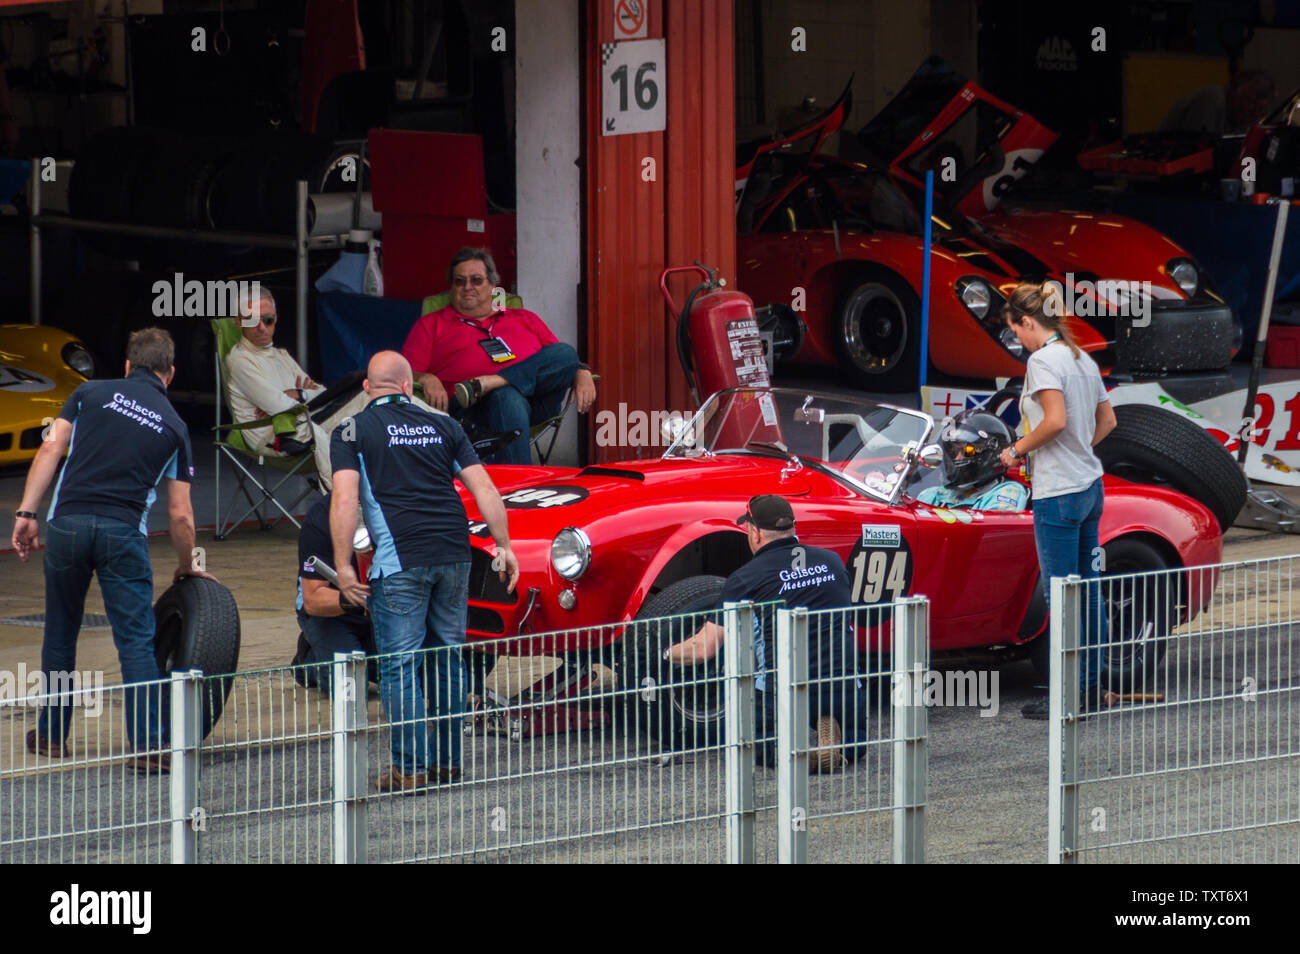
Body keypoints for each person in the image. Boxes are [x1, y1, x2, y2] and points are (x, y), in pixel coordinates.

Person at [11, 328, 217, 773]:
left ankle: (50, 736)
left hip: (66, 525)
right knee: (136, 642)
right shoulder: (176, 427)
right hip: (123, 535)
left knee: (61, 633)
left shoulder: (89, 393)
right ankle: (148, 747)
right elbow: (180, 514)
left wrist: (26, 513)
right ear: (171, 374)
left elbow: (50, 447)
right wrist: (187, 566)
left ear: (127, 365)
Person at [329, 351, 520, 793]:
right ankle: (449, 764)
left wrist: (342, 564)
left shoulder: (352, 429)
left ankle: (410, 768)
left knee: (399, 667)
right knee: (447, 658)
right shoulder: (444, 425)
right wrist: (504, 547)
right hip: (456, 554)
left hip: (400, 561)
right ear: (408, 385)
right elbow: (485, 487)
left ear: (366, 389)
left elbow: (344, 500)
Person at [664, 494, 869, 772]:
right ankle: (833, 740)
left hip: (783, 690)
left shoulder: (746, 578)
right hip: (844, 686)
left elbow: (704, 649)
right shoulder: (832, 562)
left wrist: (664, 653)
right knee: (854, 751)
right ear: (792, 528)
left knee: (761, 754)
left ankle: (797, 757)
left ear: (756, 533)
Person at [997, 282, 1119, 719]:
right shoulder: (1081, 356)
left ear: (1028, 321)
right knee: (1088, 592)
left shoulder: (1043, 360)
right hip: (1090, 486)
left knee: (1062, 597)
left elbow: (1054, 421)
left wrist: (1016, 450)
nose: (1018, 341)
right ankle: (1091, 686)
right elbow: (1107, 419)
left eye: (1016, 331)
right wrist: (1078, 449)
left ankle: (1069, 695)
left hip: (1059, 492)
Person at [224, 287, 439, 489]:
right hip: (280, 435)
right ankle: (441, 425)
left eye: (267, 319)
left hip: (303, 420)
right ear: (238, 322)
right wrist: (296, 399)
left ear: (276, 319)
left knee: (374, 405)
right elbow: (278, 405)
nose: (261, 327)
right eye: (252, 320)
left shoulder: (281, 355)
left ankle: (436, 431)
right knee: (369, 396)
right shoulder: (240, 360)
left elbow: (320, 392)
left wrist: (301, 394)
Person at [400, 247, 597, 464]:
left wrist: (581, 371)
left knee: (566, 352)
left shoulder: (524, 318)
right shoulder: (431, 324)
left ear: (493, 285)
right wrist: (427, 378)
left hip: (536, 403)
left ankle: (493, 381)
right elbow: (403, 372)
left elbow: (558, 360)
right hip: (472, 408)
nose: (467, 287)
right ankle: (519, 486)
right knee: (506, 396)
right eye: (459, 281)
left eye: (476, 280)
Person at [292, 492, 375, 693]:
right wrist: (358, 598)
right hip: (332, 614)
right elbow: (313, 599)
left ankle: (368, 659)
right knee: (352, 690)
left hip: (387, 613)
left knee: (412, 675)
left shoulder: (403, 501)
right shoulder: (321, 516)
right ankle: (309, 663)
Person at [916, 410, 1029, 511]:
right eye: (953, 452)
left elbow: (996, 529)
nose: (957, 458)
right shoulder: (932, 495)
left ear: (991, 453)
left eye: (967, 451)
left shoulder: (1007, 492)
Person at [1160, 69, 1275, 134]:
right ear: (1235, 90)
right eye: (1250, 102)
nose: (1254, 114)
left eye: (1261, 111)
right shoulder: (1211, 100)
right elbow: (1198, 148)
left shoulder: (1241, 116)